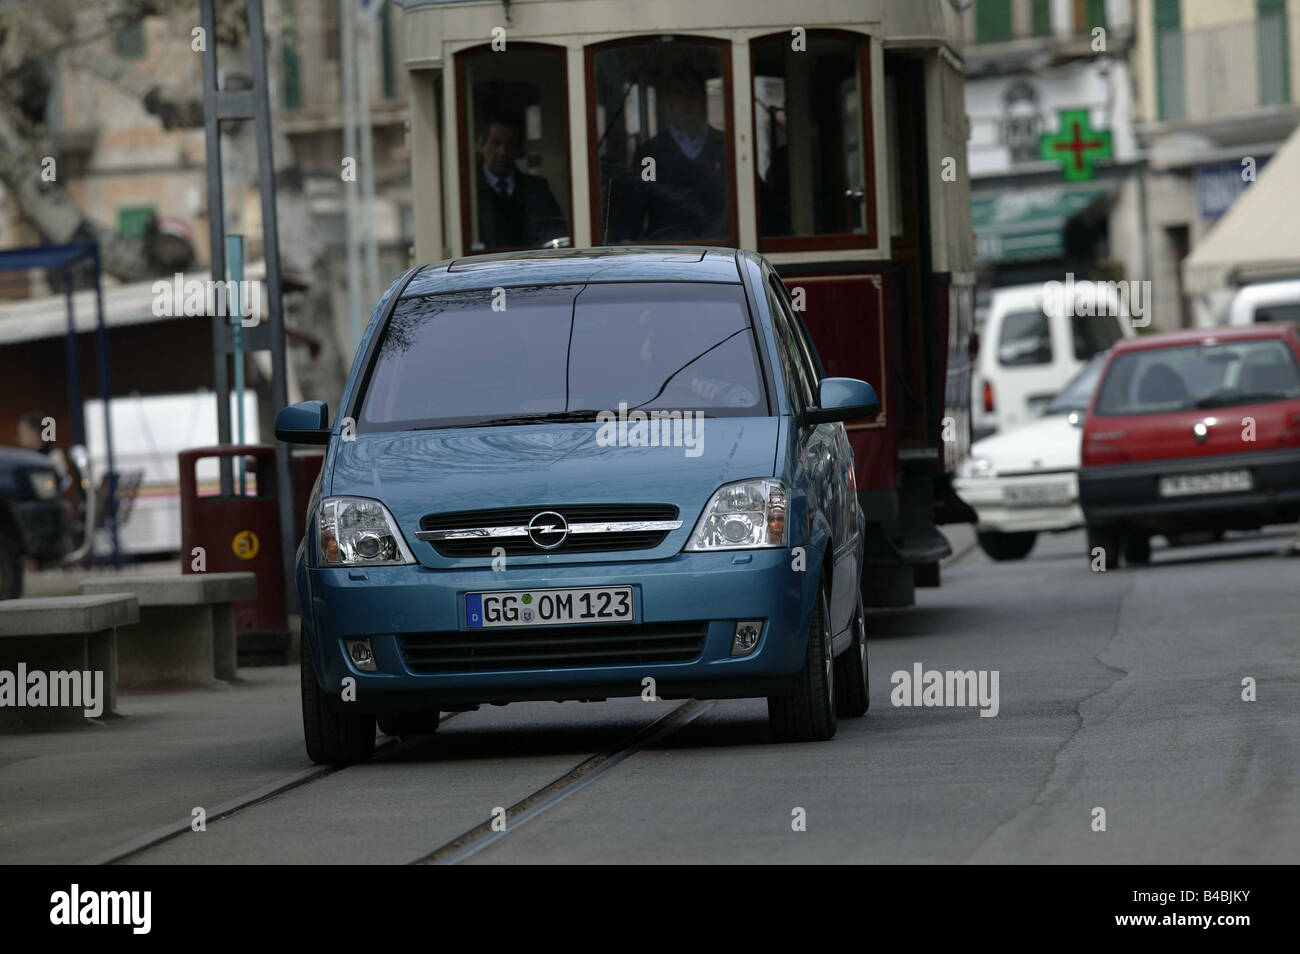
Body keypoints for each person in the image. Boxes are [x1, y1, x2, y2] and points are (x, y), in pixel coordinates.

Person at [611, 69, 729, 242]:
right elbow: (636, 202)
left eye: (692, 93)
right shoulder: (650, 155)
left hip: (721, 247)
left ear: (703, 98)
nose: (686, 100)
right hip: (666, 252)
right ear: (668, 103)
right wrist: (625, 240)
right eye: (678, 94)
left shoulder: (726, 147)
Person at [473, 109, 567, 249]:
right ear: (481, 145)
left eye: (509, 144)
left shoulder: (538, 189)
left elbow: (556, 234)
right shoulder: (469, 191)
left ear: (519, 149)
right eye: (496, 143)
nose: (503, 152)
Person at [16, 412, 71, 490]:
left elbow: (57, 486)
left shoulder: (53, 456)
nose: (18, 438)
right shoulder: (24, 457)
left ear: (35, 433)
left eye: (22, 433)